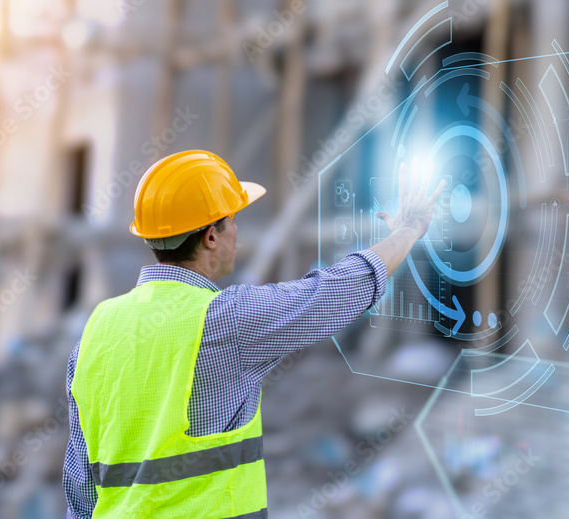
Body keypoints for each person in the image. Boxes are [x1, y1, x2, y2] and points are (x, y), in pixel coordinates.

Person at [62, 150, 444, 518]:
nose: (236, 229)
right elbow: (335, 291)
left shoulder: (96, 331)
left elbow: (80, 490)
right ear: (211, 237)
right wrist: (408, 230)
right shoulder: (225, 319)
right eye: (231, 218)